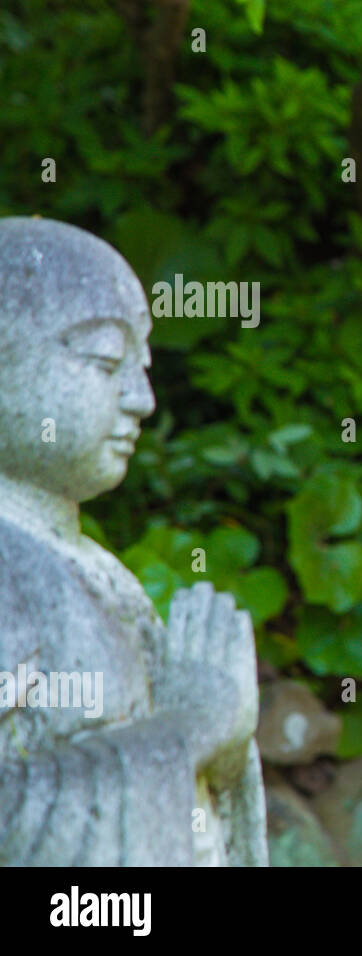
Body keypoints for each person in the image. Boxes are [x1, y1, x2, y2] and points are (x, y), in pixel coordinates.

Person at [0, 217, 266, 866]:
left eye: (140, 366)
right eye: (104, 361)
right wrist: (190, 727)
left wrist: (226, 744)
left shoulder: (98, 570)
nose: (142, 399)